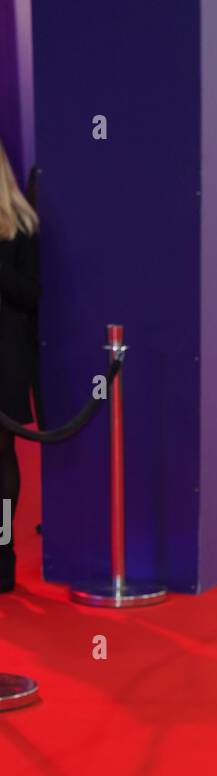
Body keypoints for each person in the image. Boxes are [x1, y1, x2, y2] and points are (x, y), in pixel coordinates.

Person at [0, 140, 41, 592]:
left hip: (5, 363)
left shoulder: (22, 226)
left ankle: (3, 556)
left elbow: (31, 295)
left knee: (1, 463)